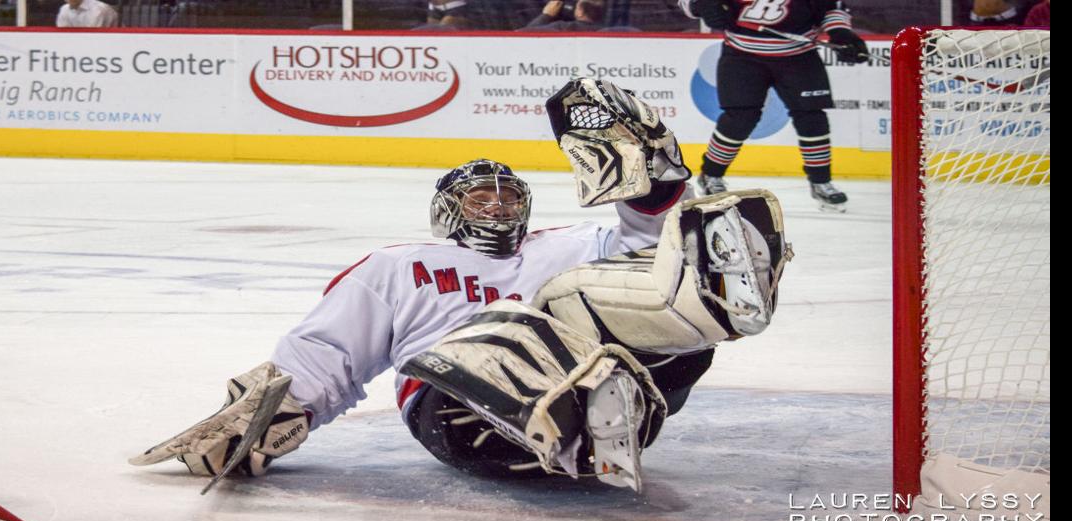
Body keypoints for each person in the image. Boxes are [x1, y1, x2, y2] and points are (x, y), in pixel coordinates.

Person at [131, 79, 791, 492]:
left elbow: (647, 249)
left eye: (507, 196)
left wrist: (657, 183)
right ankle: (579, 409)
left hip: (609, 400)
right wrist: (270, 416)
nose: (497, 206)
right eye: (479, 195)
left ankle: (611, 403)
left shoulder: (565, 245)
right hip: (459, 414)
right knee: (510, 322)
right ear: (447, 208)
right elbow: (327, 351)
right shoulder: (397, 266)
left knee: (669, 264)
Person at [680, 0, 869, 212]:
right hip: (742, 55)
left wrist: (841, 33)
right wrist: (703, 5)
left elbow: (832, 7)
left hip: (798, 56)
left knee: (812, 119)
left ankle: (821, 182)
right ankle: (711, 176)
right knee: (739, 120)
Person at [521, 0, 605, 31]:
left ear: (580, 12)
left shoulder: (563, 27)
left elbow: (521, 36)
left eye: (577, 6)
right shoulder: (608, 30)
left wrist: (546, 15)